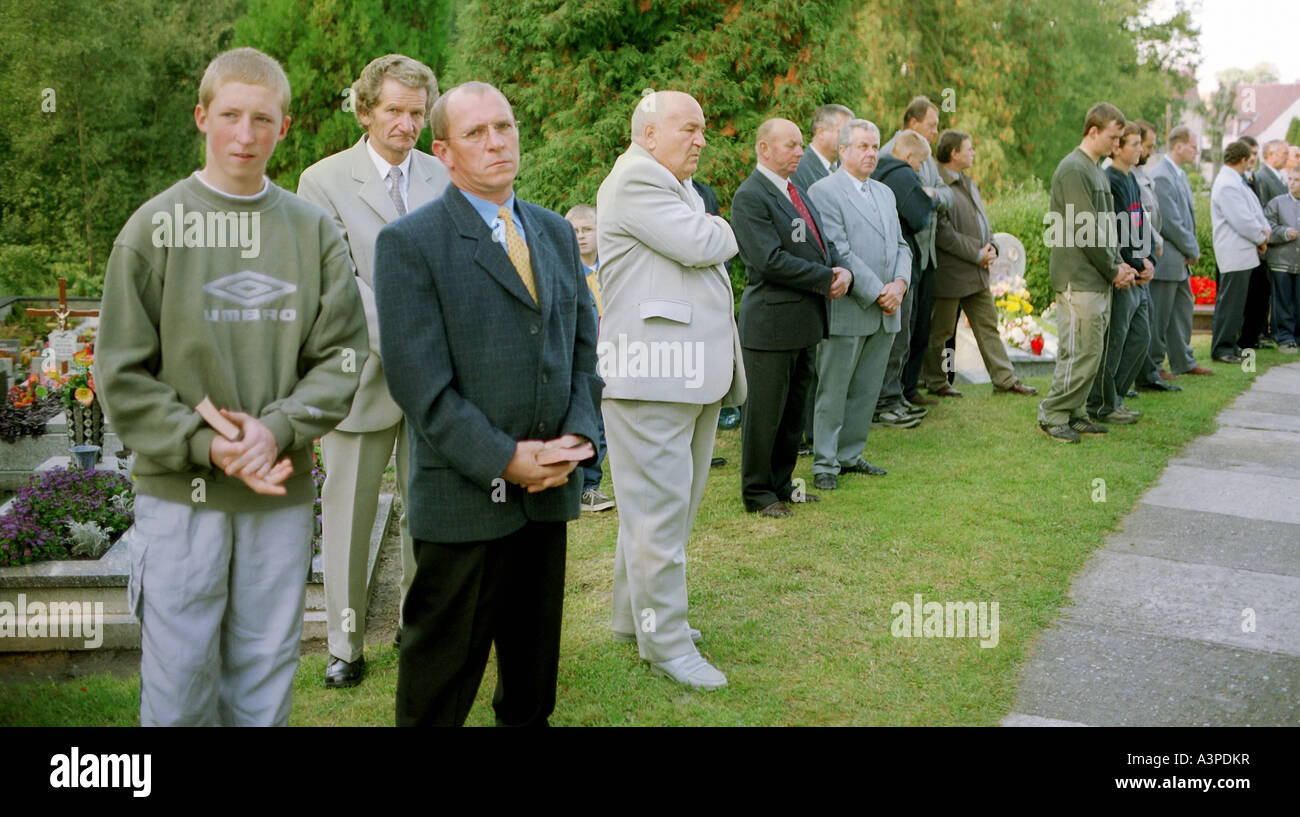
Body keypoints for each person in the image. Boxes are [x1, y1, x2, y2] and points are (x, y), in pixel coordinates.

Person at [95, 47, 368, 725]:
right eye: (230, 116)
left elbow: (341, 354)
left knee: (262, 679)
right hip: (180, 496)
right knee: (179, 684)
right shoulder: (152, 231)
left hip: (277, 493)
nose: (245, 135)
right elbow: (122, 374)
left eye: (261, 119)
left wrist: (274, 429)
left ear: (285, 126)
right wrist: (207, 444)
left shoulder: (312, 233)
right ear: (201, 117)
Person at [374, 81, 601, 726]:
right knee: (437, 691)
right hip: (465, 502)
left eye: (504, 126)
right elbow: (421, 388)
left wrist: (579, 440)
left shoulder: (556, 233)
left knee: (532, 692)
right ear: (443, 151)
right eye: (475, 133)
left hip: (547, 498)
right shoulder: (410, 244)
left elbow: (584, 350)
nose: (496, 142)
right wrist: (505, 459)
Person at [296, 53, 449, 689]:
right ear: (365, 110)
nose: (407, 124)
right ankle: (346, 644)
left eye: (417, 113)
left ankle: (422, 631)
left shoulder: (446, 176)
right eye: (394, 110)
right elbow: (340, 284)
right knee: (350, 515)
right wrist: (409, 343)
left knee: (428, 511)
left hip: (438, 379)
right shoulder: (322, 181)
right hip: (361, 375)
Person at [597, 91, 745, 690]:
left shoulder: (669, 183)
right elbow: (703, 244)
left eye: (704, 129)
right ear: (649, 133)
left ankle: (635, 619)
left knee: (661, 511)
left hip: (680, 373)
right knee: (660, 516)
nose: (702, 139)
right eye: (691, 128)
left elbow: (697, 240)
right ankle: (667, 645)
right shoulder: (636, 180)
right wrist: (719, 225)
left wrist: (707, 222)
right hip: (651, 374)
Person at [732, 117, 850, 516]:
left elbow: (820, 242)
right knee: (764, 413)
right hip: (771, 324)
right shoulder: (750, 196)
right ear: (764, 149)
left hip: (804, 323)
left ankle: (782, 484)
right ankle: (758, 492)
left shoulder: (795, 190)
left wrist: (840, 268)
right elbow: (767, 261)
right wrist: (824, 277)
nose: (800, 152)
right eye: (791, 145)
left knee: (792, 414)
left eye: (801, 145)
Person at [805, 118, 909, 491]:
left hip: (886, 310)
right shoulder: (823, 191)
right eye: (862, 146)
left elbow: (900, 245)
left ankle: (850, 454)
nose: (870, 153)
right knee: (834, 388)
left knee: (866, 388)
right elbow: (839, 248)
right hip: (850, 308)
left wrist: (900, 284)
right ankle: (825, 463)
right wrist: (879, 291)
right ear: (843, 149)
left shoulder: (884, 192)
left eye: (874, 146)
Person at [1037, 102, 1134, 444]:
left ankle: (1074, 412)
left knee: (1088, 350)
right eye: (1113, 137)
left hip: (1095, 276)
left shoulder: (1093, 168)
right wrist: (1112, 269)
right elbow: (1086, 228)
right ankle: (1053, 414)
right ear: (1093, 131)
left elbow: (1106, 226)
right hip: (1079, 278)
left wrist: (1118, 264)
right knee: (1080, 350)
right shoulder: (1073, 169)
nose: (1116, 145)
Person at [921, 130, 1036, 399]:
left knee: (988, 326)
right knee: (941, 332)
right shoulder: (940, 185)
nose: (973, 153)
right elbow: (943, 233)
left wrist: (993, 246)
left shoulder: (968, 183)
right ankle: (936, 381)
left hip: (978, 273)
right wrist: (976, 253)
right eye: (969, 149)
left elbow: (983, 221)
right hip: (951, 275)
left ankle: (1005, 380)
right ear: (953, 153)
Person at [880, 97, 954, 410]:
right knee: (900, 328)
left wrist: (931, 195)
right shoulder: (888, 156)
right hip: (900, 255)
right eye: (932, 125)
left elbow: (944, 194)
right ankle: (891, 394)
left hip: (924, 254)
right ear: (913, 123)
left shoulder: (926, 159)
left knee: (919, 326)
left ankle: (909, 388)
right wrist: (925, 200)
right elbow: (915, 211)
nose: (937, 131)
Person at [791, 103, 853, 451]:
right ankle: (804, 433)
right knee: (810, 360)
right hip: (810, 273)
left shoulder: (830, 168)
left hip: (829, 272)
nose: (846, 139)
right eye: (843, 131)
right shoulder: (804, 170)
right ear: (823, 131)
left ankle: (817, 432)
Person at [1087, 122, 1154, 424]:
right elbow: (1116, 231)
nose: (1141, 149)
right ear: (1118, 148)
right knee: (1115, 342)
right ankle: (1101, 404)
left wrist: (1148, 259)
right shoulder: (1110, 179)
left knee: (1141, 338)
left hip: (1139, 271)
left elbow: (1139, 224)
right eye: (1135, 144)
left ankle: (1117, 398)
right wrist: (1136, 265)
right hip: (1124, 274)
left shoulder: (1132, 179)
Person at [871, 130, 934, 425]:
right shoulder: (902, 176)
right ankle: (887, 401)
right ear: (908, 156)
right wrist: (928, 199)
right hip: (899, 267)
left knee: (896, 335)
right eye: (920, 162)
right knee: (899, 336)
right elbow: (920, 217)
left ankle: (893, 398)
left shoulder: (879, 174)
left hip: (887, 265)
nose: (920, 169)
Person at [563, 204, 616, 512]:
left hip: (614, 353)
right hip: (580, 359)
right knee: (588, 422)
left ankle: (591, 485)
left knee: (607, 424)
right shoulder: (565, 271)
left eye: (587, 230)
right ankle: (586, 487)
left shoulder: (612, 270)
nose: (581, 237)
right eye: (574, 231)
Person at [1149, 126, 1211, 381]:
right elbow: (1171, 222)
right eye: (1193, 146)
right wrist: (1193, 248)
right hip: (1168, 258)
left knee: (1181, 312)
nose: (1196, 151)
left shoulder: (1180, 174)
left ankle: (1183, 360)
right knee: (1160, 315)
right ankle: (1153, 365)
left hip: (1179, 260)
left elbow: (1186, 218)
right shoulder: (1162, 175)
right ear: (1178, 146)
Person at [1209, 140, 1272, 364]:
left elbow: (1254, 210)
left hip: (1244, 252)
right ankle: (1222, 347)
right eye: (1249, 160)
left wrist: (1264, 232)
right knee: (1230, 303)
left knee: (1238, 304)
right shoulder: (1227, 183)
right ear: (1243, 159)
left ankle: (1231, 344)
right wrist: (1260, 237)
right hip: (1234, 251)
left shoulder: (1237, 181)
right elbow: (1241, 219)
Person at [1129, 119, 1180, 394]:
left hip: (1147, 252)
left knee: (1146, 320)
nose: (1145, 151)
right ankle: (1138, 377)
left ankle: (1147, 374)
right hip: (1137, 255)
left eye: (1144, 146)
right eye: (1142, 145)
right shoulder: (1124, 175)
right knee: (1140, 323)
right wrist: (1153, 243)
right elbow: (1137, 217)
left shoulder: (1140, 174)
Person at [1237, 136, 1276, 349]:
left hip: (1258, 244)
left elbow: (1259, 210)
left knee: (1260, 294)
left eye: (1255, 153)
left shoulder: (1253, 179)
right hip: (1245, 245)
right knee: (1247, 295)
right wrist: (1260, 237)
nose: (1253, 158)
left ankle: (1254, 336)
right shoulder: (1237, 180)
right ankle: (1243, 339)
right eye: (1249, 154)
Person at [1263, 167, 1300, 352]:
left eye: (1297, 180)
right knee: (1283, 301)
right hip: (1281, 261)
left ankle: (1297, 336)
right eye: (1290, 179)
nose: (1292, 183)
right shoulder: (1277, 203)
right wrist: (1285, 233)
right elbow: (1267, 226)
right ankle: (1284, 337)